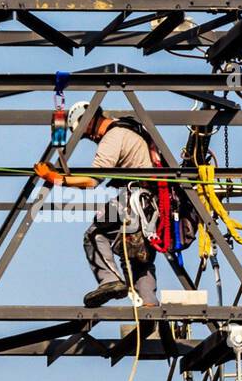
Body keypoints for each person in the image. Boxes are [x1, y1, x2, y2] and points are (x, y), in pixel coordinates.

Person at [34, 102, 162, 308]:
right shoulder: (130, 130)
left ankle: (110, 281)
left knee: (94, 234)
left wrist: (55, 178)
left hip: (136, 199)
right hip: (154, 205)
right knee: (138, 254)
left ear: (91, 118)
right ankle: (149, 302)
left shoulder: (114, 135)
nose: (89, 137)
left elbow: (91, 181)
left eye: (84, 131)